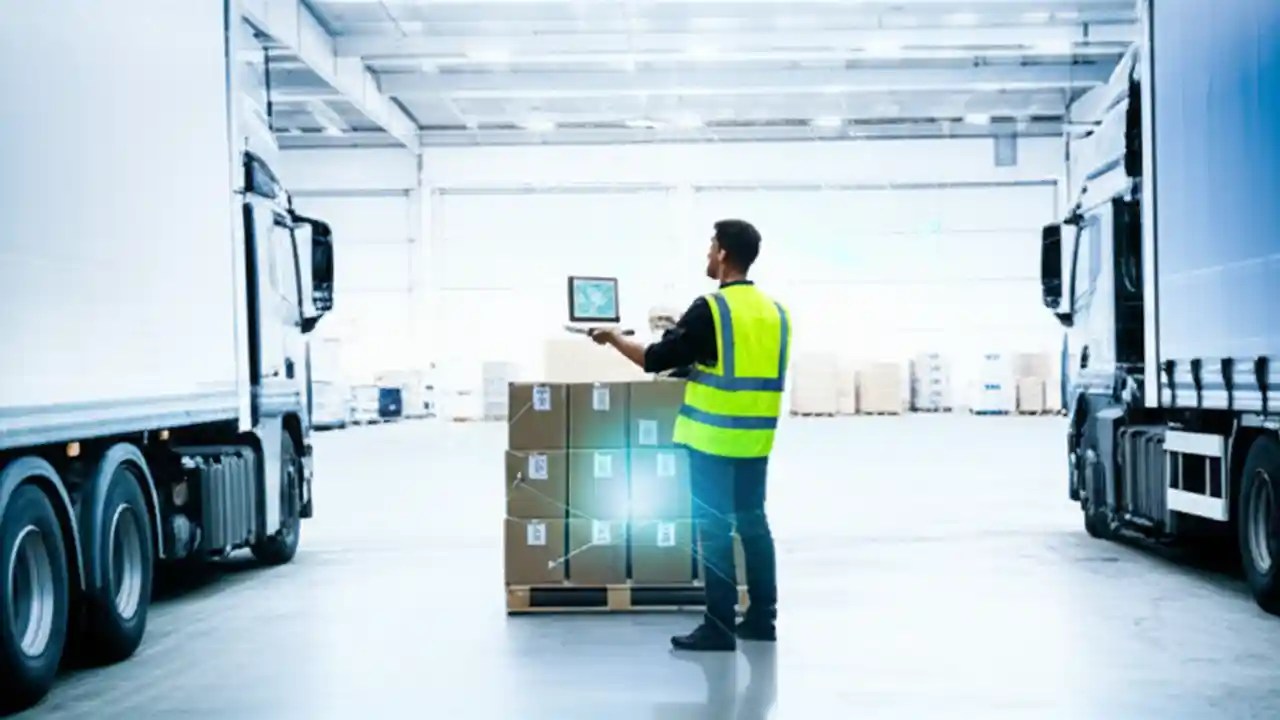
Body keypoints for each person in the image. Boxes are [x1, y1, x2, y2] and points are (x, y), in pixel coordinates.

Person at [589, 219, 789, 652]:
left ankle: (718, 626)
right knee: (754, 526)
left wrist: (615, 339)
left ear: (723, 254)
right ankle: (762, 619)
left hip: (713, 440)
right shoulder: (776, 312)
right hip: (756, 439)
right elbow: (735, 364)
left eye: (711, 246)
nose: (707, 254)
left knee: (713, 531)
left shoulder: (712, 309)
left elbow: (655, 358)